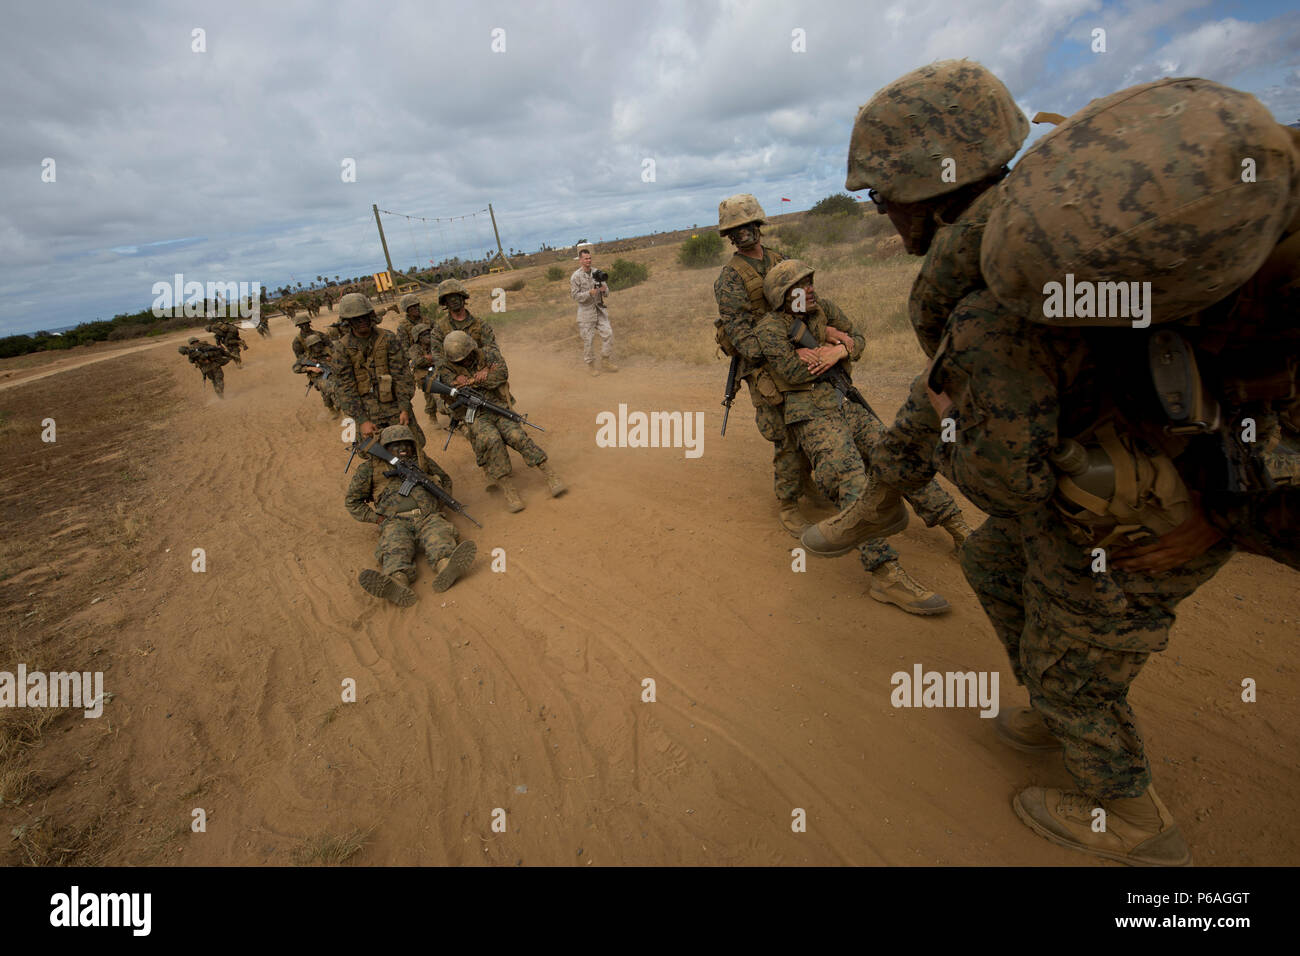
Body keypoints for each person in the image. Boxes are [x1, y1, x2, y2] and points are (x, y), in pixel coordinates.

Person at [808, 60, 1300, 865]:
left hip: (1168, 509)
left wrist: (951, 434)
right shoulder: (1061, 232)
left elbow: (1009, 488)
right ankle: (1050, 693)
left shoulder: (996, 306)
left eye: (882, 195)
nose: (882, 211)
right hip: (1158, 464)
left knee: (1071, 667)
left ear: (931, 192)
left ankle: (1136, 820)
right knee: (996, 563)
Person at [753, 259, 958, 614]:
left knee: (896, 456)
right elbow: (790, 370)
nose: (812, 288)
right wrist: (830, 344)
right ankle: (886, 575)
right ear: (783, 296)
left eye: (811, 280)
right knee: (848, 477)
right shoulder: (770, 328)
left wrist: (840, 349)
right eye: (802, 285)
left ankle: (957, 527)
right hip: (810, 412)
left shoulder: (825, 309)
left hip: (843, 398)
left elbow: (858, 338)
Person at [714, 192, 849, 536]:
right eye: (735, 230)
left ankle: (807, 484)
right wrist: (787, 347)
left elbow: (804, 304)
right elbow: (743, 338)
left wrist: (820, 334)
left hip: (798, 353)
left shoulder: (781, 260)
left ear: (758, 224)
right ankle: (788, 503)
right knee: (784, 434)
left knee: (810, 421)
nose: (742, 234)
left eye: (747, 226)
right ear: (728, 236)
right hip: (762, 365)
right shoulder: (729, 279)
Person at [435, 330, 565, 513]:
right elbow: (443, 388)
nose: (463, 362)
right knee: (491, 441)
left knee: (517, 436)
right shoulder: (447, 368)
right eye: (458, 361)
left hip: (497, 405)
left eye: (465, 357)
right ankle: (509, 491)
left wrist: (474, 380)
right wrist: (460, 381)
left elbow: (501, 374)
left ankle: (550, 474)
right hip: (475, 413)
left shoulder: (489, 353)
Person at [346, 424, 476, 604]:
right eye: (395, 445)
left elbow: (445, 479)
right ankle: (397, 582)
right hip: (394, 521)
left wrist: (438, 504)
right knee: (395, 548)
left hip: (427, 517)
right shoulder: (370, 469)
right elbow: (352, 501)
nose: (403, 449)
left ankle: (446, 566)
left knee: (439, 536)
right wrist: (376, 518)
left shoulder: (422, 461)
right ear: (385, 447)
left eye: (406, 444)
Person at [332, 292, 430, 468]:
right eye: (356, 318)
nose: (361, 321)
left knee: (414, 446)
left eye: (364, 317)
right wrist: (362, 421)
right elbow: (344, 388)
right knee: (374, 455)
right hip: (366, 411)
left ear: (371, 316)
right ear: (348, 321)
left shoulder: (388, 338)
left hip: (395, 406)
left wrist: (404, 408)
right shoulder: (341, 348)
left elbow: (402, 376)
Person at [570, 249, 617, 375]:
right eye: (585, 258)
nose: (588, 261)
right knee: (588, 340)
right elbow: (575, 296)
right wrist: (588, 293)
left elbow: (607, 293)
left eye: (589, 258)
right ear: (580, 260)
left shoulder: (598, 273)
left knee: (608, 333)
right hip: (586, 312)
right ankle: (591, 366)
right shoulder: (576, 277)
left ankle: (606, 361)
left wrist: (603, 289)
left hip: (599, 309)